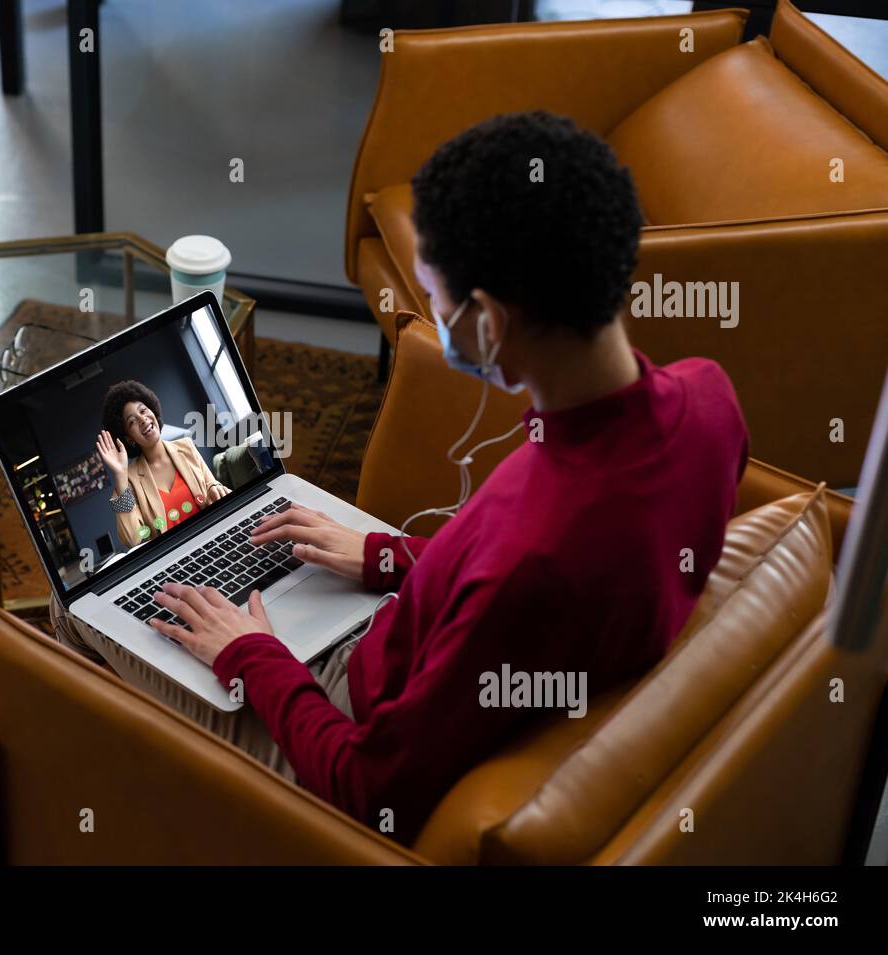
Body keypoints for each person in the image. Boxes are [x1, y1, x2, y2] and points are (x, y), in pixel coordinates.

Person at [53, 111, 748, 844]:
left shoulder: (533, 557)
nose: (429, 309)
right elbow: (495, 576)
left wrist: (251, 654)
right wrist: (388, 557)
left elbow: (367, 785)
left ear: (486, 320)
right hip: (417, 646)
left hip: (344, 714)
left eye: (432, 291)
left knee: (76, 609)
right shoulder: (710, 401)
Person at [96, 379, 230, 548]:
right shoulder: (128, 480)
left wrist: (213, 488)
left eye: (143, 411)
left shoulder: (186, 447)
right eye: (132, 421)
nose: (143, 420)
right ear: (129, 438)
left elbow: (210, 483)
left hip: (214, 537)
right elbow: (133, 539)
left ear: (153, 410)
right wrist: (120, 475)